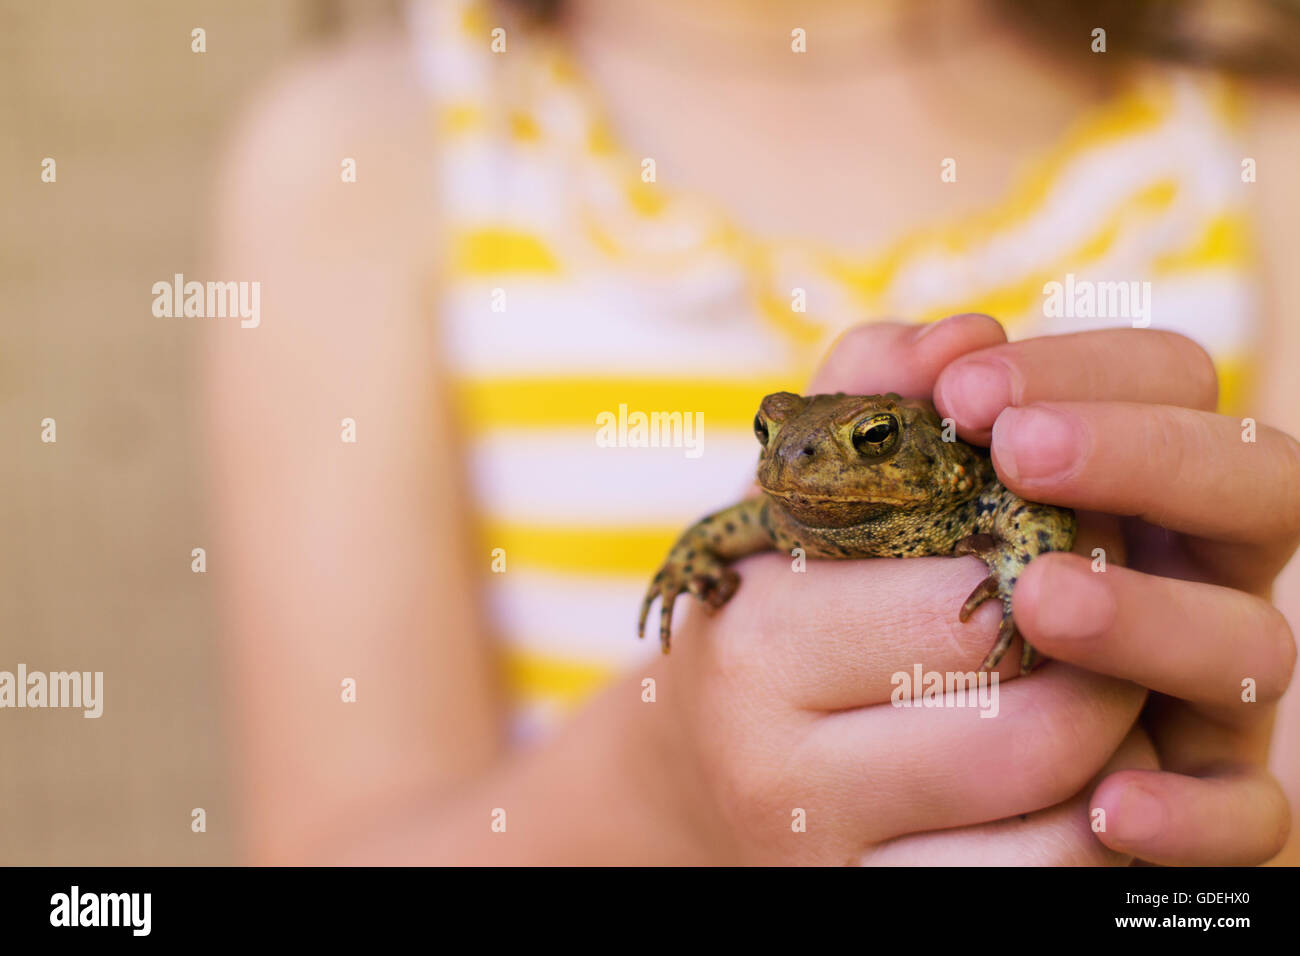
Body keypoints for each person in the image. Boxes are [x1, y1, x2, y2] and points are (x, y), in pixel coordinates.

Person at [207, 0, 1300, 864]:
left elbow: (1020, 512)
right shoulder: (366, 157)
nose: (801, 463)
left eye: (862, 439)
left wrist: (1198, 849)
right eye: (778, 438)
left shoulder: (1259, 142)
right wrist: (666, 786)